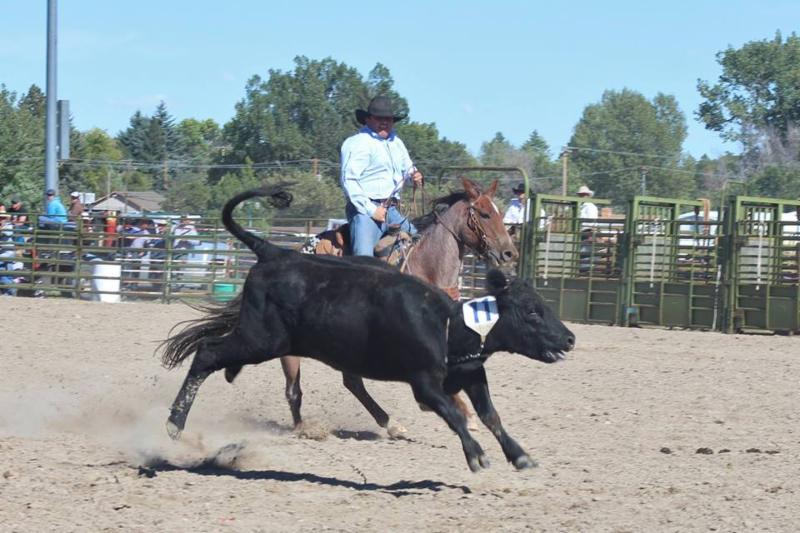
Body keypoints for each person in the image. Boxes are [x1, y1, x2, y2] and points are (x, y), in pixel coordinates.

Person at [340, 96, 423, 256]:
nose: (385, 122)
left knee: (420, 242)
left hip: (392, 211)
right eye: (380, 118)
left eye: (389, 119)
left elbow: (407, 166)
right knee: (364, 261)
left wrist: (414, 174)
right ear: (368, 119)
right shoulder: (358, 143)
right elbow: (348, 180)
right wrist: (371, 210)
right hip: (365, 212)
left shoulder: (396, 142)